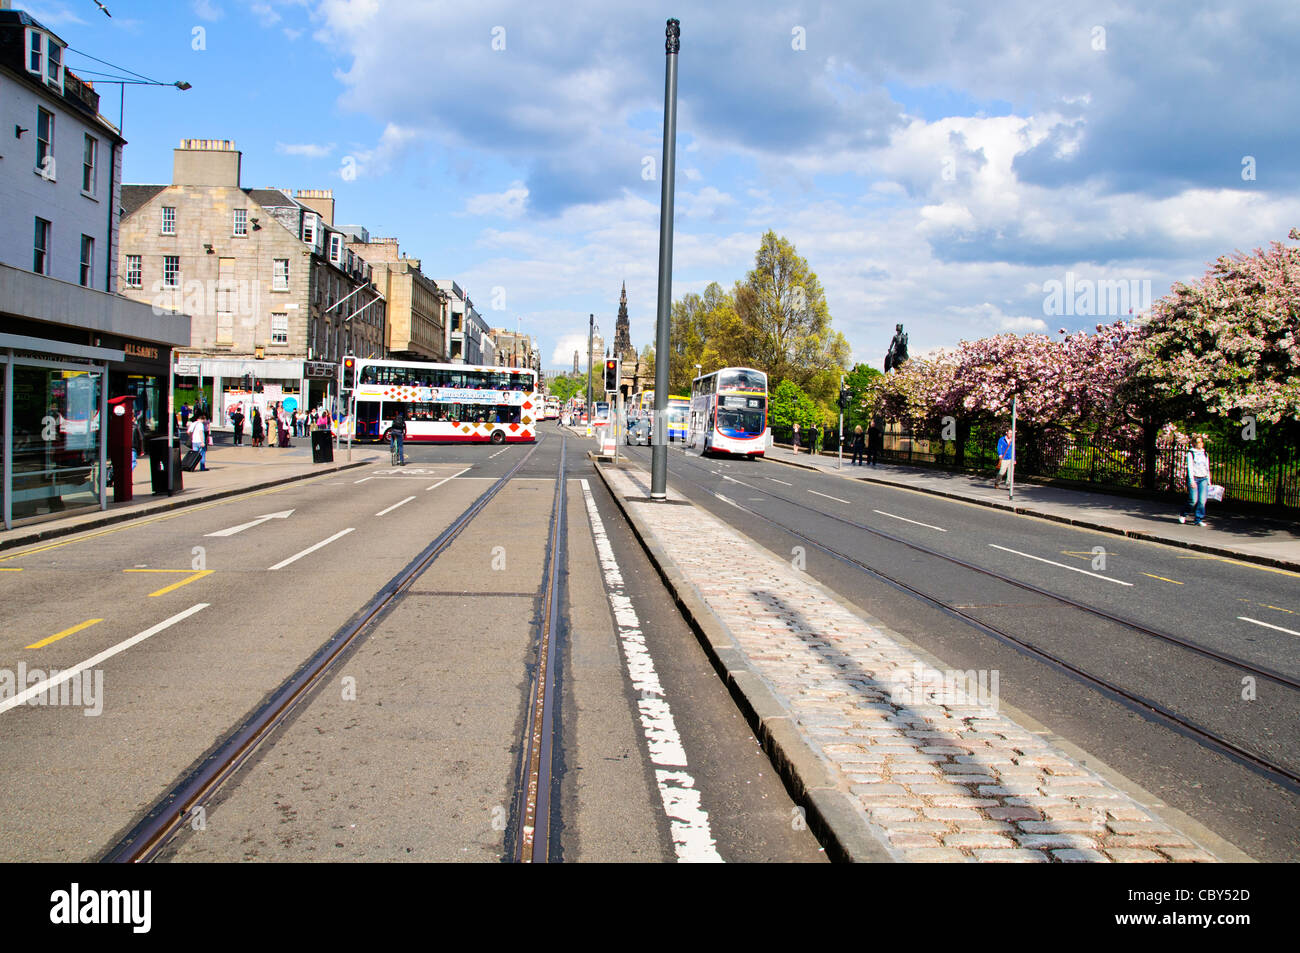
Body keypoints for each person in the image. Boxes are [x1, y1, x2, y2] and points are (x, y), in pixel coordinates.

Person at [1180, 435, 1212, 526]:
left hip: (1203, 478)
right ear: (1194, 443)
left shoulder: (1205, 453)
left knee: (1202, 500)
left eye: (1201, 442)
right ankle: (1183, 514)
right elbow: (1190, 467)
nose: (1200, 444)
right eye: (1198, 442)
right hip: (1195, 478)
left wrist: (1209, 480)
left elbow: (1207, 467)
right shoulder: (1191, 453)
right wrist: (1192, 480)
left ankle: (1198, 519)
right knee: (1193, 500)